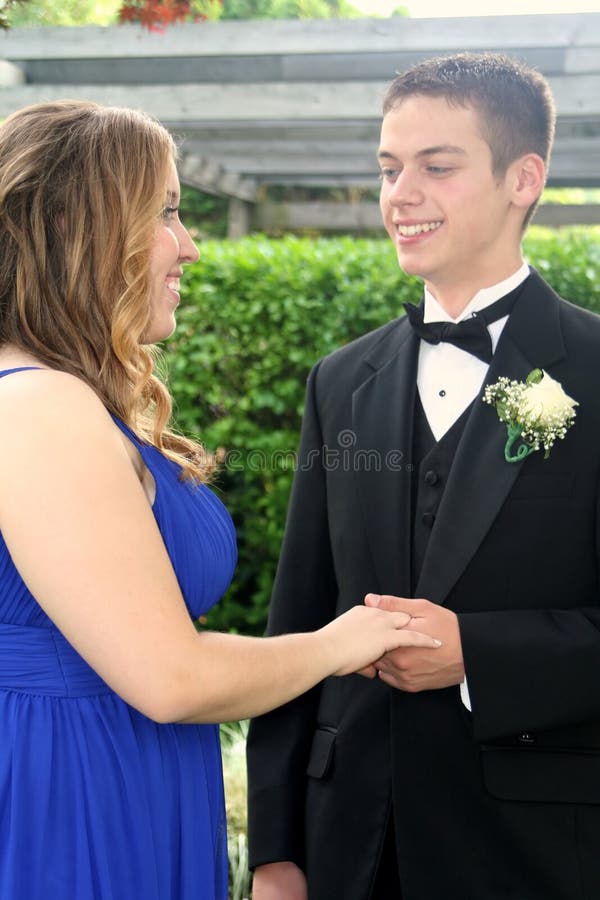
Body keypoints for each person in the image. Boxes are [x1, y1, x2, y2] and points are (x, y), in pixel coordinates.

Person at [0, 99, 442, 900]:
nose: (190, 247)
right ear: (74, 225)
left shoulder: (66, 398)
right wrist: (347, 641)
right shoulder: (37, 406)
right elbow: (172, 676)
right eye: (166, 212)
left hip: (120, 770)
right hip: (68, 798)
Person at [247, 52, 600, 900]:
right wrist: (275, 850)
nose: (399, 195)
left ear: (524, 178)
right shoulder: (341, 379)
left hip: (537, 852)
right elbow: (299, 609)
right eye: (389, 169)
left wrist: (477, 655)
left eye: (436, 168)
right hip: (347, 847)